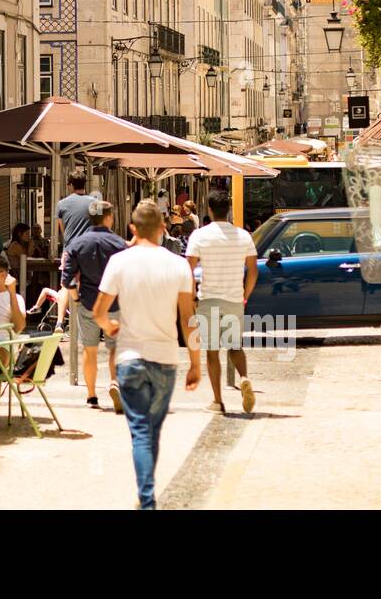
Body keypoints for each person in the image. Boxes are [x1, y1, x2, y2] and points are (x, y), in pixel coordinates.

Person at [93, 199, 202, 510]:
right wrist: (195, 362)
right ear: (163, 228)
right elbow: (188, 318)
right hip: (165, 359)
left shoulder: (119, 262)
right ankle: (147, 498)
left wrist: (109, 326)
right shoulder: (179, 265)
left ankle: (147, 500)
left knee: (140, 432)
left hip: (129, 358)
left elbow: (99, 310)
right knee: (151, 431)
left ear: (132, 228)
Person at [185, 190, 259, 414]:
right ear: (228, 209)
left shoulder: (199, 235)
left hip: (209, 299)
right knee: (235, 347)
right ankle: (244, 377)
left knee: (212, 351)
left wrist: (191, 296)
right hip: (234, 298)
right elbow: (253, 271)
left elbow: (187, 269)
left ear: (209, 209)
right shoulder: (243, 236)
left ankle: (218, 401)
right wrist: (245, 295)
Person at [62, 199, 128, 412]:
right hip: (114, 303)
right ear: (109, 217)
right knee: (115, 348)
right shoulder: (119, 244)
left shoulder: (77, 244)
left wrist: (76, 298)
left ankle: (91, 395)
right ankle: (115, 382)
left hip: (88, 302)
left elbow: (67, 279)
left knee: (89, 350)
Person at [56, 174, 94, 249]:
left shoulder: (61, 204)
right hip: (90, 250)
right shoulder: (96, 203)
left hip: (70, 250)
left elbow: (63, 231)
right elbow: (99, 228)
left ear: (72, 185)